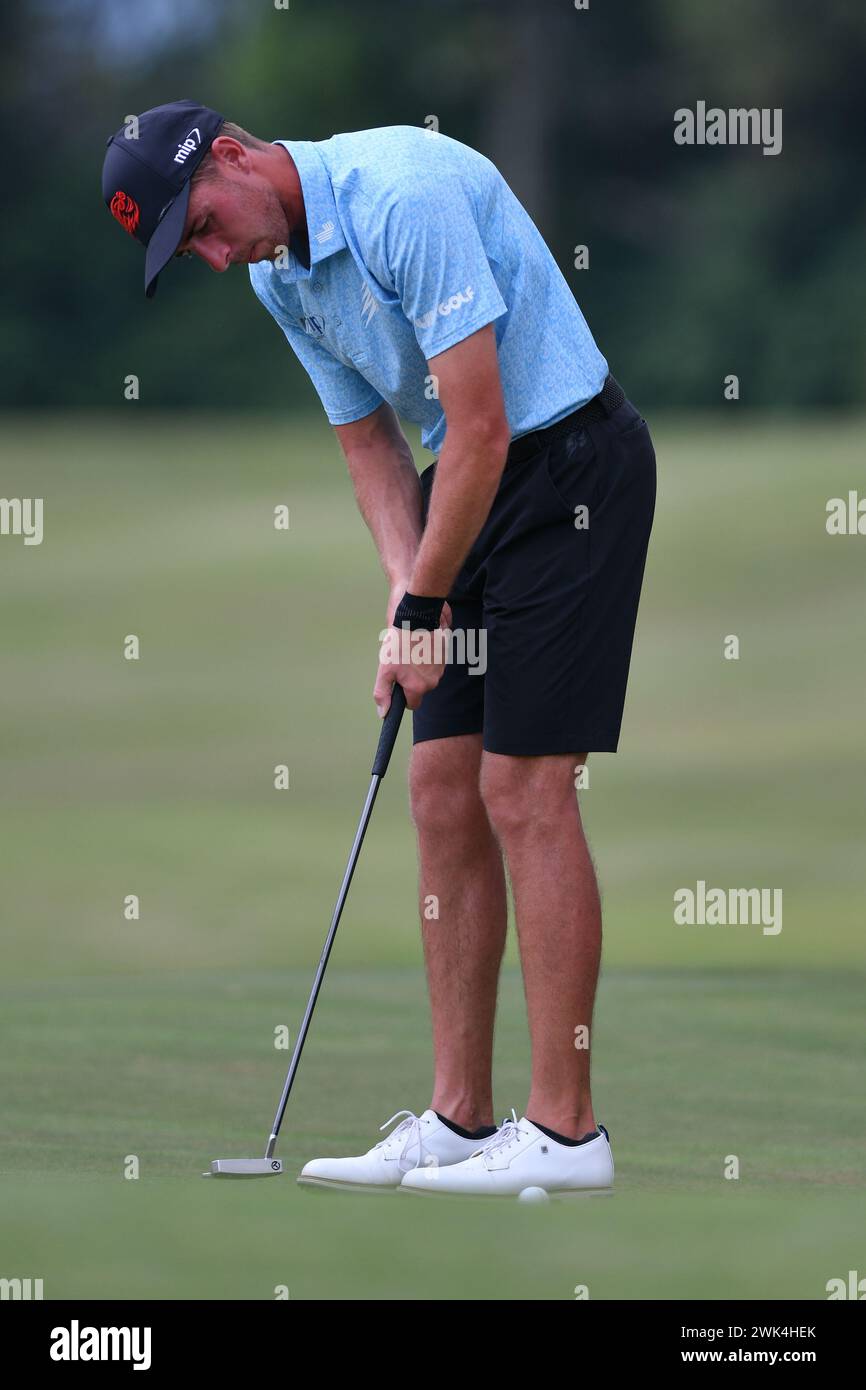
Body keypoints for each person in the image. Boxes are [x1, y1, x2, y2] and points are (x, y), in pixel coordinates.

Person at [103, 100, 656, 1196]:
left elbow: (484, 419)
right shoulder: (277, 274)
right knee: (440, 788)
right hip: (471, 491)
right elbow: (369, 447)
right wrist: (408, 593)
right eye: (191, 250)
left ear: (231, 157)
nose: (217, 258)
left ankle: (565, 1133)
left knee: (524, 789)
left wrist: (421, 608)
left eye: (205, 225)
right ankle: (458, 1119)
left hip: (569, 474)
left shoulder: (398, 195)